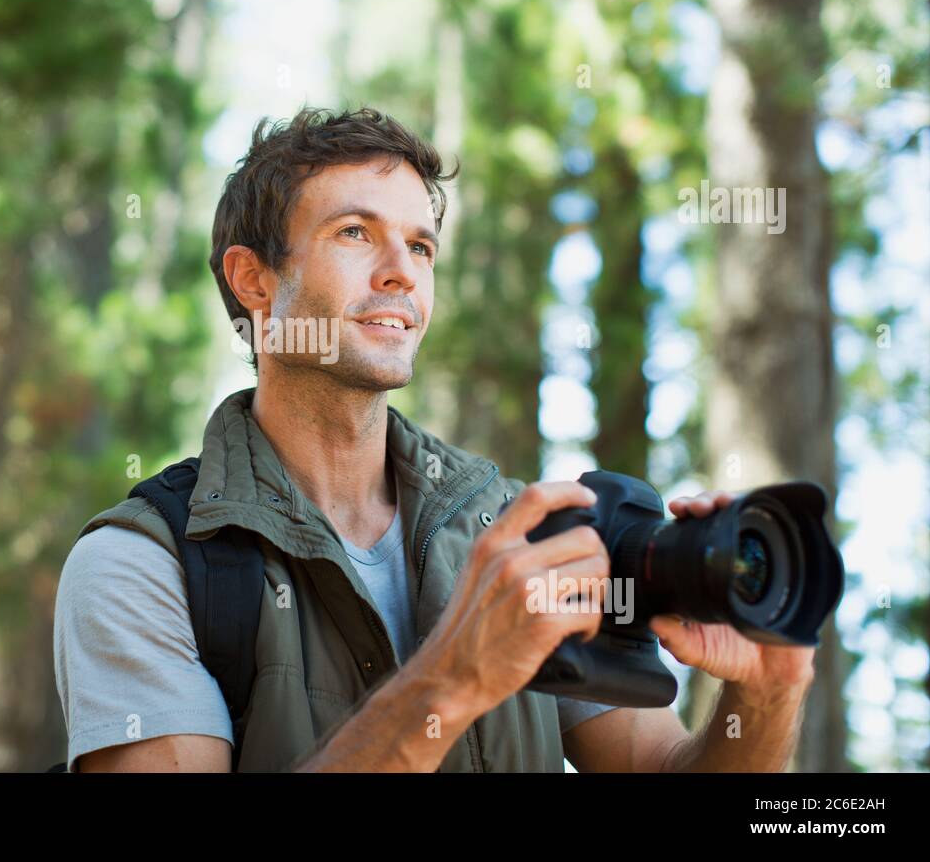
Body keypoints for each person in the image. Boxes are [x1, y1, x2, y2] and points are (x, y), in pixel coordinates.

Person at [54, 107, 818, 772]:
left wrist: (769, 691)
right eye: (356, 233)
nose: (401, 275)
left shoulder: (529, 532)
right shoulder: (143, 567)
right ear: (253, 281)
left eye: (420, 247)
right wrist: (453, 677)